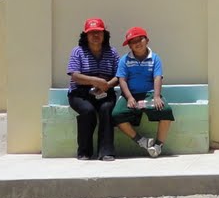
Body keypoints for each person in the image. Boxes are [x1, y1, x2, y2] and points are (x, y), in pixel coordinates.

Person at [112, 26, 174, 157]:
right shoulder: (124, 60)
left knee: (166, 111)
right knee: (116, 114)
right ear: (129, 45)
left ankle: (158, 145)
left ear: (147, 40)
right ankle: (142, 141)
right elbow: (122, 80)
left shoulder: (155, 58)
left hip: (150, 94)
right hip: (131, 95)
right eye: (133, 41)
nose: (137, 43)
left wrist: (157, 96)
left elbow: (157, 77)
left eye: (140, 39)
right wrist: (129, 97)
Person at [66, 17, 120, 161]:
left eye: (99, 32)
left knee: (106, 110)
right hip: (80, 93)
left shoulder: (112, 52)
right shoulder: (78, 51)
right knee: (87, 111)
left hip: (105, 92)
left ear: (104, 34)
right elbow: (75, 76)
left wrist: (107, 85)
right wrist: (94, 81)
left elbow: (119, 76)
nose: (96, 36)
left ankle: (106, 151)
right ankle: (84, 151)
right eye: (92, 33)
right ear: (85, 35)